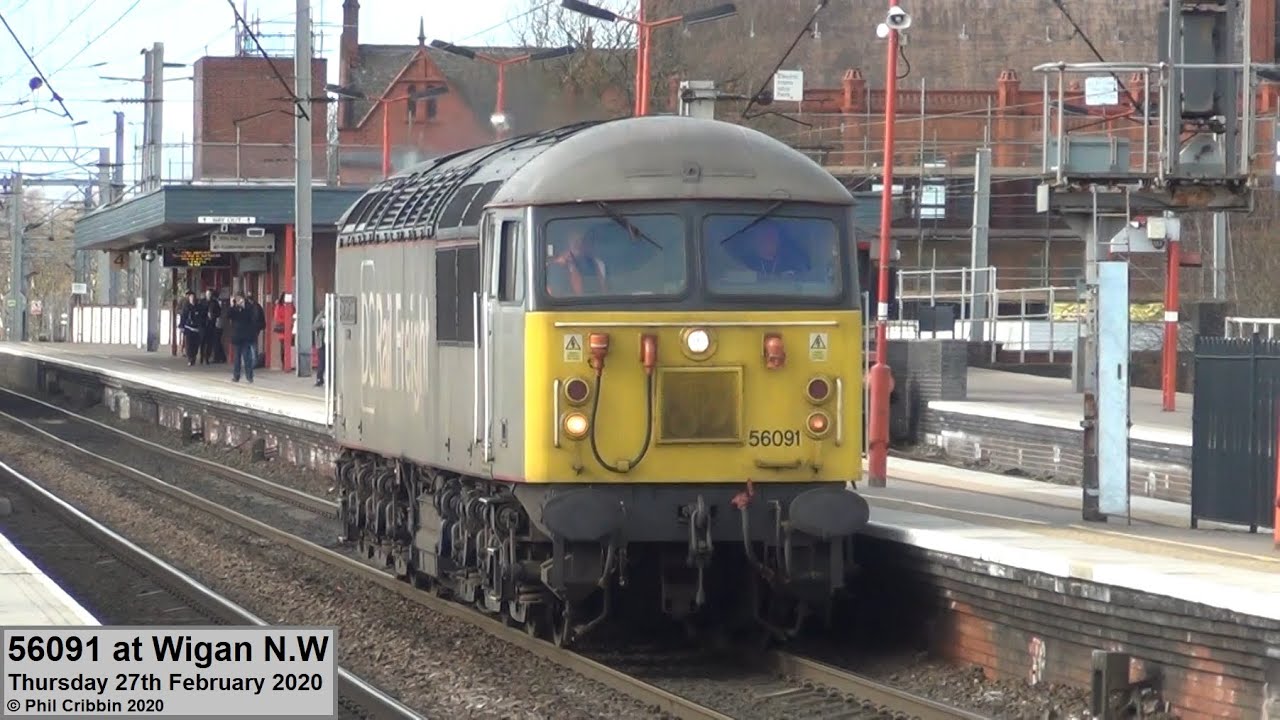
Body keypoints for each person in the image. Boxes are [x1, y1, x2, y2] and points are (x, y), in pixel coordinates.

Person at [732, 222, 810, 277]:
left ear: (779, 238)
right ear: (754, 238)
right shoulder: (743, 263)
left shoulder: (794, 261)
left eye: (771, 236)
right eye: (763, 234)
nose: (767, 239)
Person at [546, 227, 607, 296]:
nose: (579, 244)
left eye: (581, 240)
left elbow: (603, 292)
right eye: (575, 241)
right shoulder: (554, 267)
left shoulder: (597, 264)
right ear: (566, 245)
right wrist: (557, 264)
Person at [226, 292, 259, 383]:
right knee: (237, 358)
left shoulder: (249, 307)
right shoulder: (234, 308)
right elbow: (228, 315)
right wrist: (232, 306)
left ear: (243, 299)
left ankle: (249, 376)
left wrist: (243, 307)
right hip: (237, 336)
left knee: (247, 357)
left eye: (240, 299)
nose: (238, 301)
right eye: (237, 299)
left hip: (246, 336)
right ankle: (236, 376)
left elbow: (252, 317)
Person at [178, 291, 204, 367]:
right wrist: (181, 326)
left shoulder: (199, 307)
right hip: (188, 328)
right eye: (191, 298)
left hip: (196, 329)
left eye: (193, 298)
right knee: (189, 344)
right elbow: (183, 317)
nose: (192, 299)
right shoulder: (186, 308)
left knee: (195, 345)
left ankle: (194, 357)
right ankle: (190, 358)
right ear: (189, 299)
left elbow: (202, 317)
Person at [201, 289, 223, 365]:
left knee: (210, 342)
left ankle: (207, 357)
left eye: (210, 294)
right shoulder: (202, 302)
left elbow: (219, 312)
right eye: (207, 294)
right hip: (203, 325)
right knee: (203, 341)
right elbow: (199, 312)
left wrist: (213, 316)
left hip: (212, 324)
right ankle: (202, 357)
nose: (209, 295)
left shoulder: (214, 303)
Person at [312, 305, 327, 387]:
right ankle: (319, 379)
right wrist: (322, 324)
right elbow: (314, 326)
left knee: (327, 362)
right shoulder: (320, 317)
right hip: (321, 343)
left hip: (329, 342)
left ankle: (327, 379)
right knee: (322, 362)